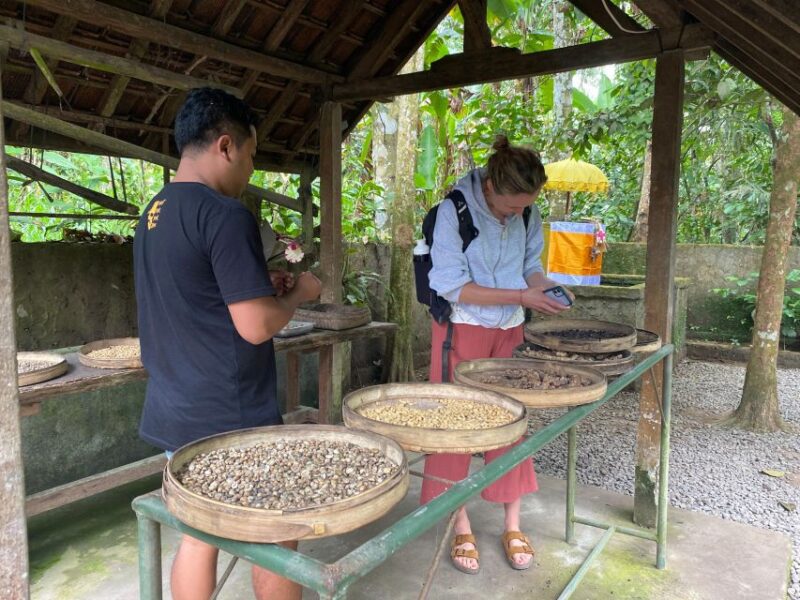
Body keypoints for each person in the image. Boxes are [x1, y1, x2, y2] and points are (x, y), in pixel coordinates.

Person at [133, 87, 321, 600]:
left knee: (199, 535)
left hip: (176, 408)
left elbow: (197, 292)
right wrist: (300, 293)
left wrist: (261, 285)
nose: (251, 169)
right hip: (230, 411)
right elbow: (256, 326)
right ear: (225, 146)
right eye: (252, 155)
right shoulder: (225, 213)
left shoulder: (153, 212)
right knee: (278, 531)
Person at [421, 135, 572, 574]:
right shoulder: (453, 212)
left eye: (525, 207)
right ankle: (460, 522)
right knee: (454, 423)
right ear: (489, 187)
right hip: (462, 326)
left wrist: (546, 289)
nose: (517, 214)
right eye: (510, 208)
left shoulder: (528, 212)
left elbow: (530, 267)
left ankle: (512, 522)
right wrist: (521, 296)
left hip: (509, 329)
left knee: (511, 420)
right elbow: (451, 285)